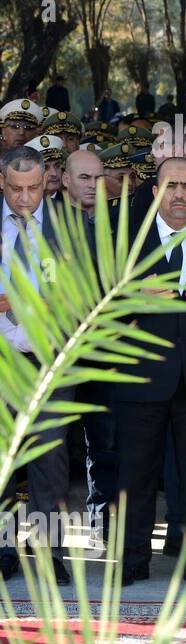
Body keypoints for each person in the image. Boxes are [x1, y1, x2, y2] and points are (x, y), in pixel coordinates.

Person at [111, 157, 186, 584]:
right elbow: (95, 303)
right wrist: (133, 297)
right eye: (171, 186)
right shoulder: (126, 241)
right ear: (155, 192)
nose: (179, 194)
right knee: (136, 471)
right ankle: (132, 559)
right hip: (141, 376)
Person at [0, 146, 82, 583]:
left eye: (33, 188)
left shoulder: (68, 225)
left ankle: (47, 550)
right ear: (2, 182)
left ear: (46, 180)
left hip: (51, 358)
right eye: (16, 189)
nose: (25, 198)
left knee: (50, 457)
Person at [61, 149, 103, 215]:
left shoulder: (117, 220)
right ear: (66, 180)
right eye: (84, 177)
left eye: (98, 178)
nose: (93, 185)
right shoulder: (48, 222)